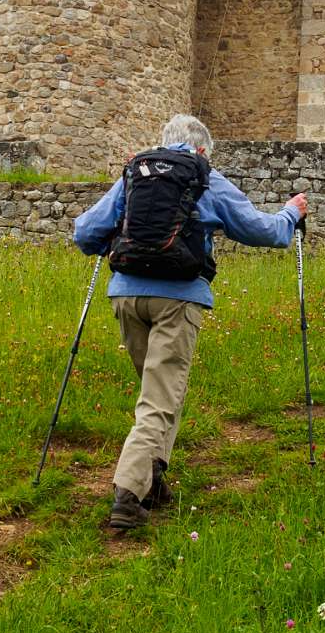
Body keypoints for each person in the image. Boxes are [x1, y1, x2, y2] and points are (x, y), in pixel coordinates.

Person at [71, 114, 308, 530]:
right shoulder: (205, 177)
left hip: (126, 296)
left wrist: (105, 241)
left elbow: (86, 232)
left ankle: (153, 474)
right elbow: (261, 230)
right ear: (202, 150)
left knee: (159, 390)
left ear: (164, 142)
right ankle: (127, 494)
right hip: (178, 298)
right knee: (159, 399)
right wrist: (290, 214)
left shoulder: (135, 173)